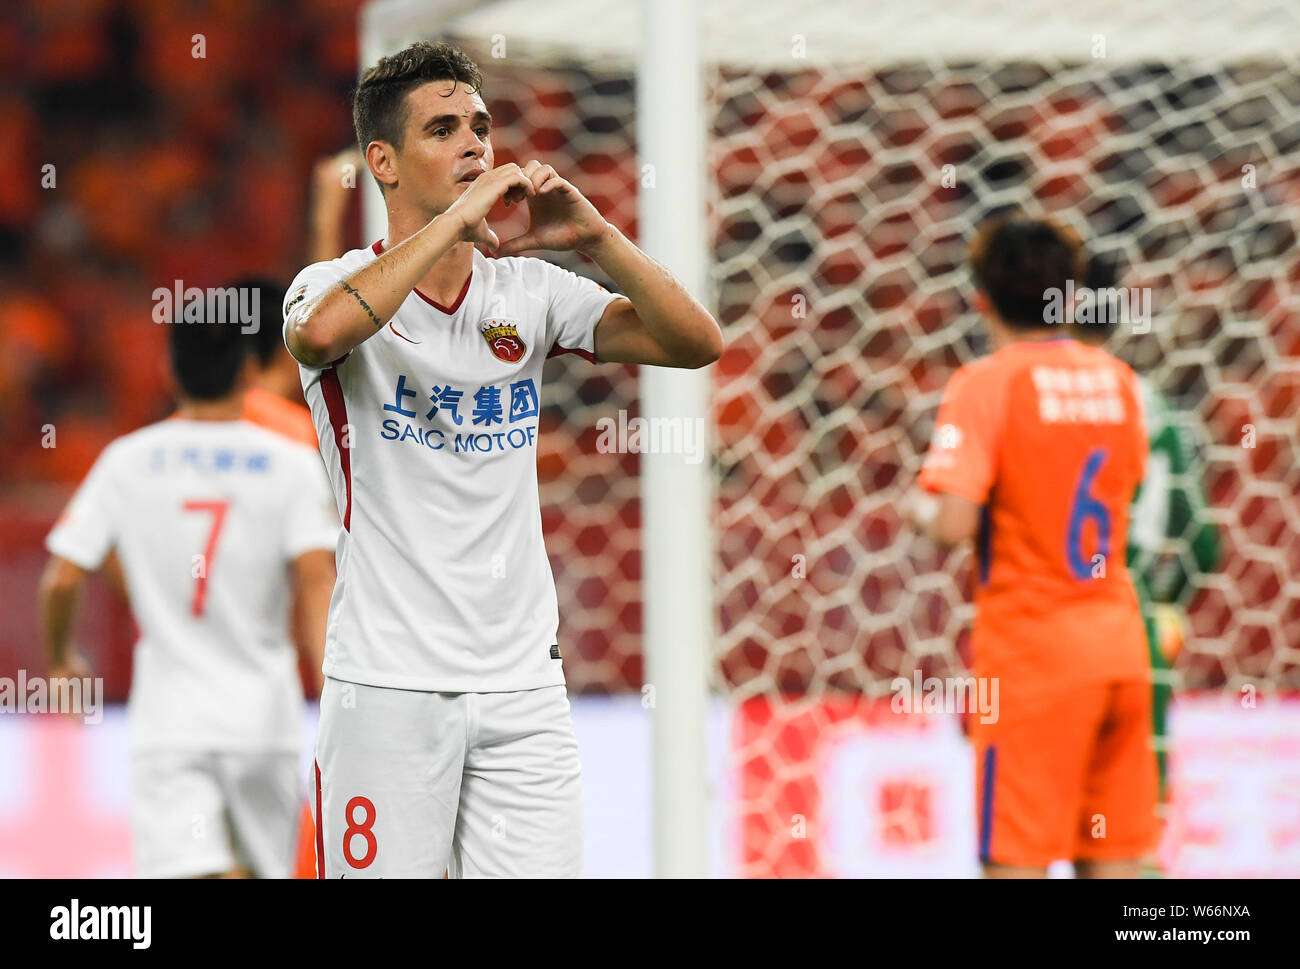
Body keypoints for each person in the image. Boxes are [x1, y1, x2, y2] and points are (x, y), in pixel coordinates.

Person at [284, 41, 722, 877]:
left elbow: (696, 342)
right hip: (386, 685)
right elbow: (321, 335)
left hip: (523, 686)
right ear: (382, 160)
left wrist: (596, 236)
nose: (475, 145)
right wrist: (457, 219)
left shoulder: (529, 293)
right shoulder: (328, 284)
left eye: (481, 127)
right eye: (443, 129)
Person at [38, 309, 339, 878]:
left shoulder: (128, 462)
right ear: (249, 371)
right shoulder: (293, 466)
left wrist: (59, 659)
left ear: (168, 371)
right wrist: (332, 687)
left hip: (171, 724)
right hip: (263, 723)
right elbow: (314, 579)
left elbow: (63, 575)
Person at [910, 214, 1156, 877]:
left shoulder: (987, 384)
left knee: (1015, 862)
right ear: (1072, 295)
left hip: (1033, 662)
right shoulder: (1120, 383)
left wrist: (920, 508)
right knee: (1117, 866)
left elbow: (955, 522)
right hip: (1121, 650)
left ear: (980, 297)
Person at [1072, 259, 1220, 801]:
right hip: (1135, 627)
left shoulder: (1035, 399)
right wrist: (1167, 605)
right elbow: (1203, 543)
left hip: (1052, 621)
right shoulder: (1154, 406)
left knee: (1029, 833)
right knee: (1133, 820)